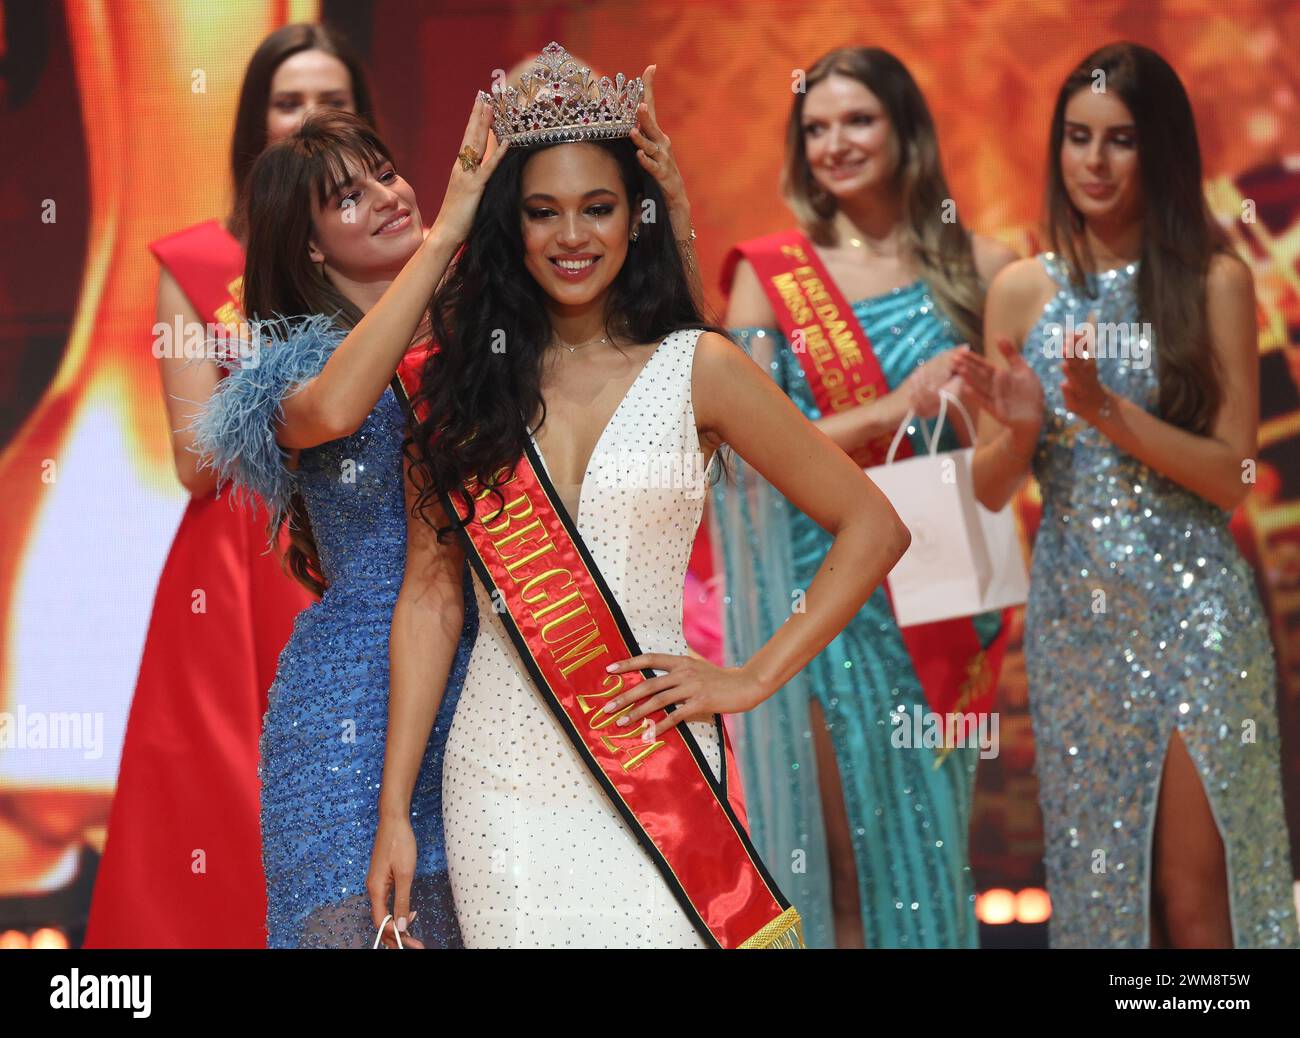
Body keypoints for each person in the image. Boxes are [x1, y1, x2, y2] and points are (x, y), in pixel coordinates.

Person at [365, 42, 910, 949]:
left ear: (636, 218)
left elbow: (872, 525)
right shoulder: (458, 384)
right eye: (543, 213)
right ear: (513, 227)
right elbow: (429, 597)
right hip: (498, 772)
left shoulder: (701, 369)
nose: (571, 237)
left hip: (655, 756)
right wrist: (394, 807)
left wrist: (752, 676)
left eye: (598, 208)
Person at [956, 41, 1300, 948]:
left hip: (1198, 614)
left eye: (1120, 140)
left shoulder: (1213, 280)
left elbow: (1232, 475)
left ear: (1162, 151)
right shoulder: (1019, 292)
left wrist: (1107, 412)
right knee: (1107, 904)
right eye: (1077, 138)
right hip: (1077, 621)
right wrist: (1025, 429)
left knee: (1196, 898)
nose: (1094, 163)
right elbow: (990, 490)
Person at [714, 46, 1016, 948]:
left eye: (857, 120)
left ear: (904, 128)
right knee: (840, 868)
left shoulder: (986, 264)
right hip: (821, 590)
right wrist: (895, 406)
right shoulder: (768, 277)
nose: (835, 143)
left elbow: (1003, 455)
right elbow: (740, 447)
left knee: (931, 863)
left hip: (940, 594)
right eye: (815, 128)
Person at [85, 23, 375, 948]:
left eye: (331, 103)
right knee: (232, 802)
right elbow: (194, 460)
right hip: (246, 562)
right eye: (289, 104)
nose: (309, 122)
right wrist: (293, 384)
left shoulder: (390, 252)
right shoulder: (199, 265)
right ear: (255, 124)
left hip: (372, 540)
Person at [191, 104, 504, 947]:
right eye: (348, 197)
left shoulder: (489, 336)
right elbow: (336, 405)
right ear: (310, 247)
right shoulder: (291, 370)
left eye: (386, 174)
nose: (388, 197)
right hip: (349, 719)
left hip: (496, 687)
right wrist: (445, 239)